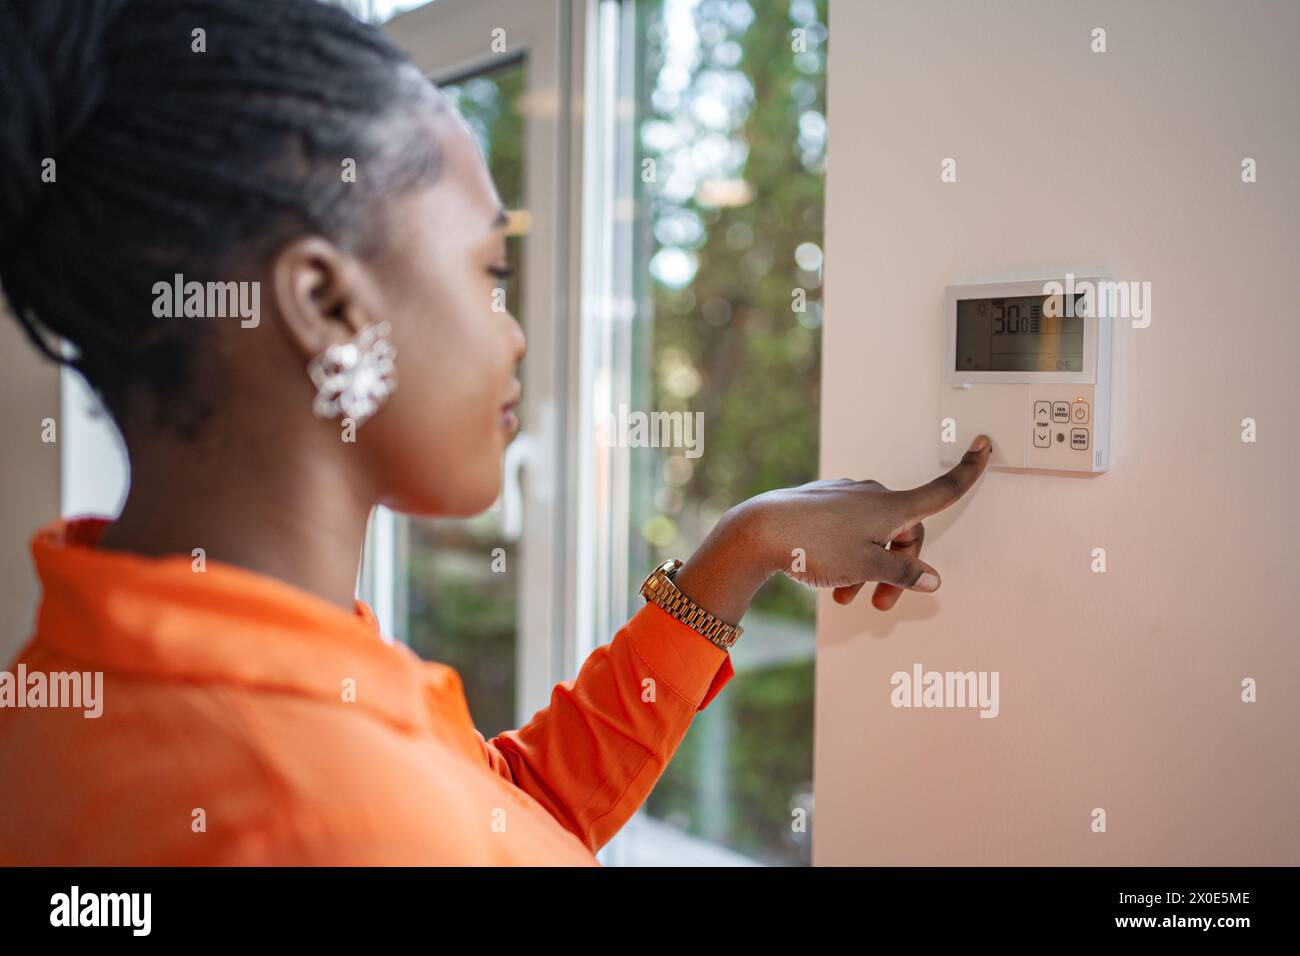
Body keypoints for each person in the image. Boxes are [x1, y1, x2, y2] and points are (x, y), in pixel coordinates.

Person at [0, 0, 991, 864]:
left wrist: (744, 547)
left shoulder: (91, 686)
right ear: (325, 304)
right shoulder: (326, 816)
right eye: (489, 275)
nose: (513, 337)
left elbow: (514, 810)